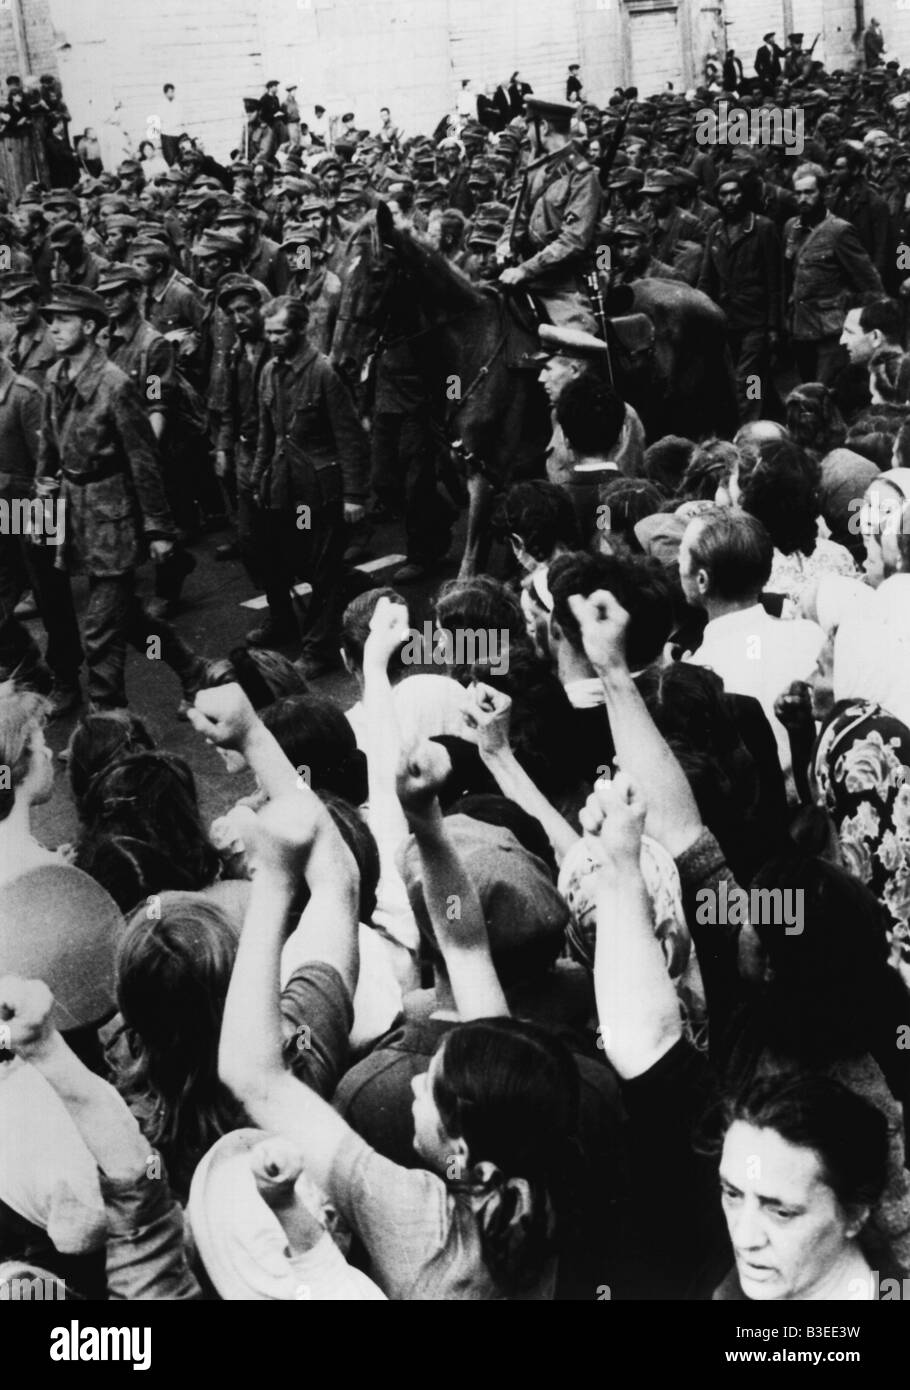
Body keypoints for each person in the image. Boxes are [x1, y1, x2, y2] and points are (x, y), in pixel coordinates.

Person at [248, 296, 369, 676]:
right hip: (287, 489)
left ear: (300, 329)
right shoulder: (269, 370)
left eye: (281, 332)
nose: (273, 339)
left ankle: (319, 650)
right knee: (293, 560)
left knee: (322, 567)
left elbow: (350, 437)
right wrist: (257, 479)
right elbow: (267, 433)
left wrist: (354, 496)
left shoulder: (324, 372)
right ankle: (357, 590)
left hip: (321, 492)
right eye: (268, 332)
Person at [679, 508, 825, 779]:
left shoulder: (698, 675)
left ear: (702, 580)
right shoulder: (812, 636)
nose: (677, 564)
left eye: (682, 553)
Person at [498, 97, 601, 330]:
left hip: (565, 286)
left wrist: (526, 269)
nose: (526, 133)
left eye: (528, 126)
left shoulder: (583, 176)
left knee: (576, 352)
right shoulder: (535, 170)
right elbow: (516, 220)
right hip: (525, 277)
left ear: (543, 127)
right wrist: (504, 246)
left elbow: (573, 240)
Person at [784, 164, 883, 384]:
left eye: (809, 192)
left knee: (826, 391)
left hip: (831, 330)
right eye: (798, 193)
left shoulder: (839, 231)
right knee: (808, 389)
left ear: (824, 193)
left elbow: (869, 282)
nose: (802, 199)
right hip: (800, 328)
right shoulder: (791, 228)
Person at [697, 172, 781, 422]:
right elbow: (706, 277)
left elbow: (776, 280)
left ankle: (750, 425)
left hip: (755, 320)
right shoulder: (716, 231)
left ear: (744, 194)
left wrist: (775, 326)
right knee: (734, 378)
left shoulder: (763, 228)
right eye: (724, 194)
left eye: (735, 192)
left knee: (750, 378)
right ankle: (771, 416)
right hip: (724, 319)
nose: (730, 199)